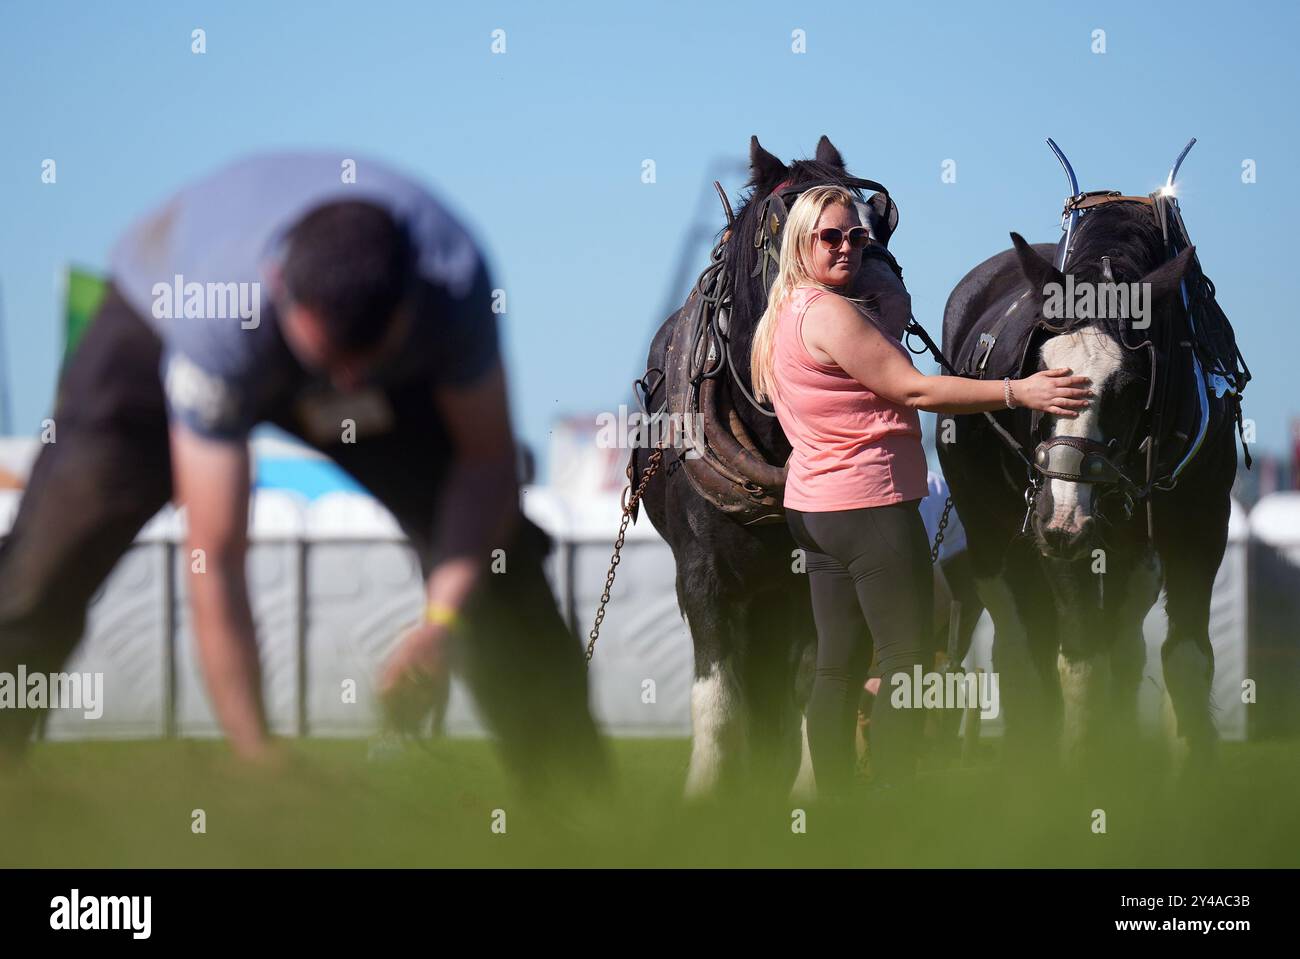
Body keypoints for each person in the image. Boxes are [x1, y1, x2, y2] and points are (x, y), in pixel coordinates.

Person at [0, 152, 607, 794]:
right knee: (47, 560)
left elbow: (486, 466)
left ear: (404, 311)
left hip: (357, 347)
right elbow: (216, 553)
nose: (342, 384)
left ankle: (577, 811)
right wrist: (255, 751)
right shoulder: (219, 316)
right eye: (329, 360)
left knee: (501, 561)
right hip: (155, 318)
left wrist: (441, 623)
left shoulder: (452, 286)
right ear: (277, 283)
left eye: (361, 363)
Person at [750, 185, 1091, 796]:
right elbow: (914, 389)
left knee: (837, 666)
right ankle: (892, 806)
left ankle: (833, 809)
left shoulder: (786, 314)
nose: (848, 247)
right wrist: (1022, 392)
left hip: (815, 509)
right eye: (830, 237)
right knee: (908, 668)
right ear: (801, 243)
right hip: (870, 507)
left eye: (858, 236)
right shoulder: (832, 314)